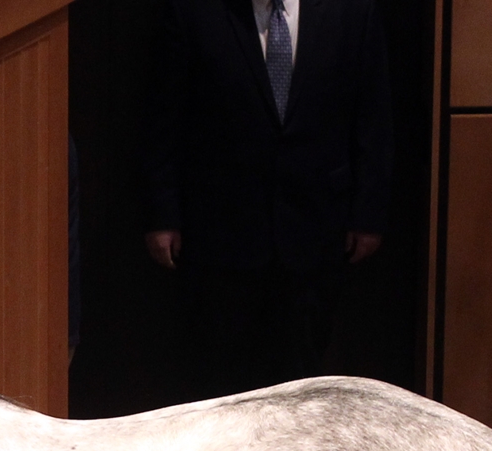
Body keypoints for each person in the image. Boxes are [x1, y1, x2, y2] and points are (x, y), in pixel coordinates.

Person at [144, 0, 393, 398]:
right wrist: (162, 214)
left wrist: (369, 213)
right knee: (222, 384)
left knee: (302, 381)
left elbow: (372, 118)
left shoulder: (352, 11)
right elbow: (163, 118)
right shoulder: (194, 11)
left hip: (316, 228)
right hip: (221, 233)